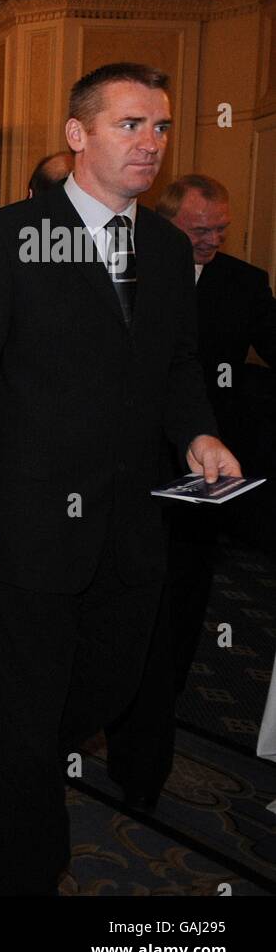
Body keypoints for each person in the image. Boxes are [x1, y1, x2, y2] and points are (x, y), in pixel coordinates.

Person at [0, 63, 240, 895]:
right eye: (130, 125)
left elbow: (176, 365)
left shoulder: (163, 245)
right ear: (79, 134)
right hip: (25, 529)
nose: (149, 143)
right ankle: (27, 869)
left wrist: (200, 433)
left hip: (132, 525)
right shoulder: (6, 240)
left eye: (160, 128)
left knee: (108, 688)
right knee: (28, 717)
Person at [105, 174, 276, 808]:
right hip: (135, 475)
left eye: (221, 229)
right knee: (125, 609)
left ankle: (149, 744)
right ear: (170, 223)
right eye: (200, 229)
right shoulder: (129, 268)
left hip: (208, 480)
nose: (212, 239)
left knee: (180, 613)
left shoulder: (244, 283)